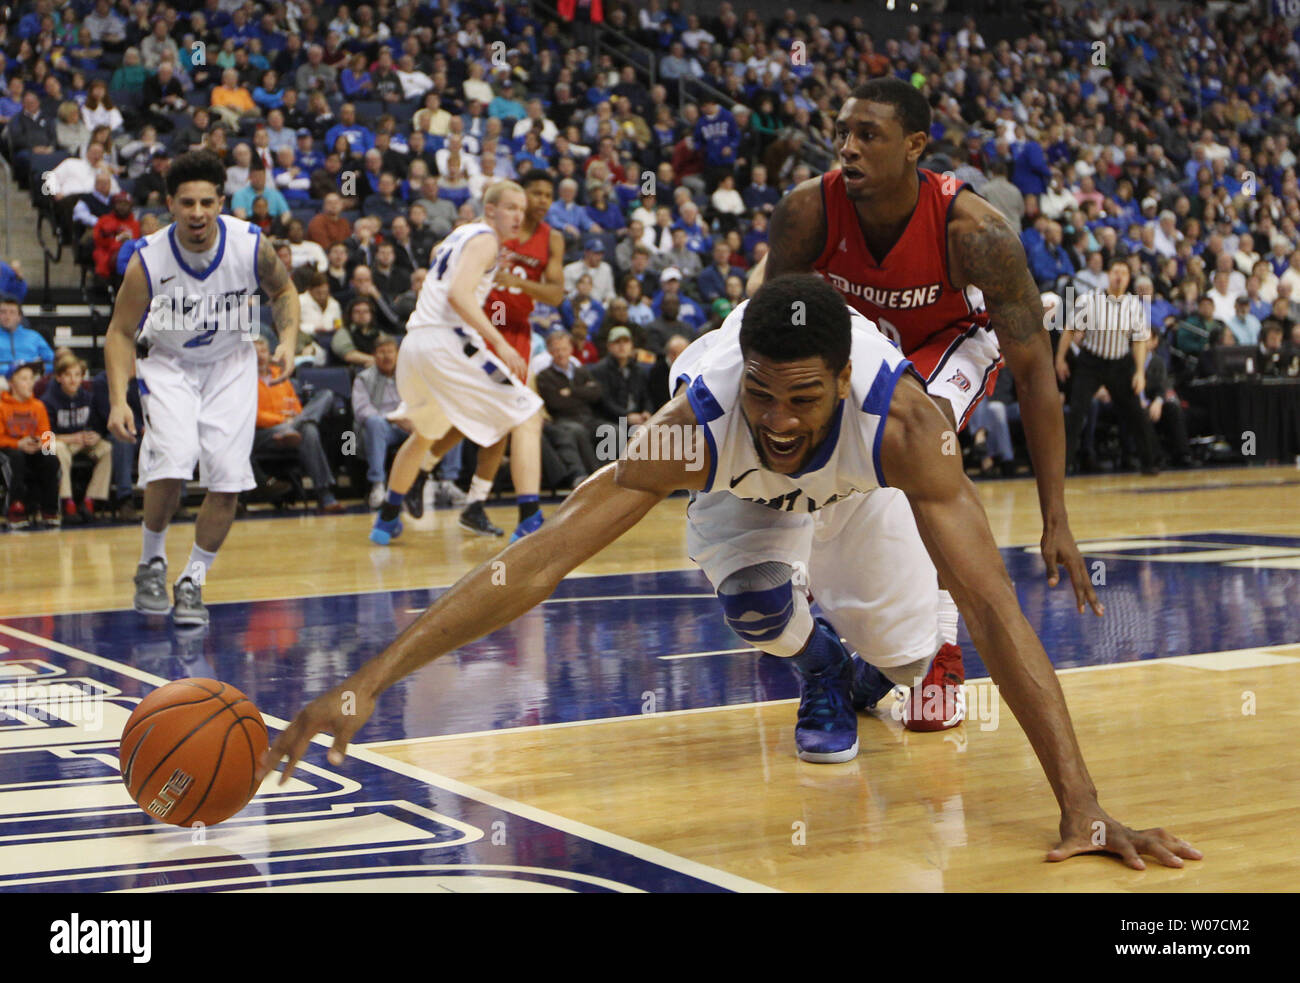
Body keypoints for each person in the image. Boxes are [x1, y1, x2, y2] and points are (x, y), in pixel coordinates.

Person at [263, 275, 1202, 872]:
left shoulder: (908, 429)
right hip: (741, 489)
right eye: (762, 391)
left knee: (924, 671)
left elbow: (998, 610)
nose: (781, 417)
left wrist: (1085, 807)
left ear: (842, 380)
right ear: (738, 371)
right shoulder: (693, 424)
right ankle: (824, 667)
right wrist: (366, 681)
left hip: (861, 484)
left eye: (801, 396)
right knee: (758, 599)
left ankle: (894, 655)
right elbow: (533, 564)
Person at [752, 78, 1100, 719]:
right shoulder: (808, 210)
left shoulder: (977, 232)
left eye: (868, 136)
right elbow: (776, 332)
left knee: (918, 441)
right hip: (853, 350)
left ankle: (941, 650)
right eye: (842, 134)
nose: (848, 149)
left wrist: (1056, 517)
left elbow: (1037, 379)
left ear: (916, 145)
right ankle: (834, 615)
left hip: (950, 344)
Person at [104, 150, 299, 627]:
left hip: (231, 362)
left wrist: (289, 339)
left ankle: (193, 579)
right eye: (187, 203)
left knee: (228, 480)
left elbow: (284, 291)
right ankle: (151, 561)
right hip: (168, 363)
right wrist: (116, 401)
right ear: (171, 204)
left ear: (221, 202)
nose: (197, 213)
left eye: (206, 203)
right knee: (172, 459)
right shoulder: (147, 259)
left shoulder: (251, 244)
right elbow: (119, 332)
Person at [367, 182, 540, 546]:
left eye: (522, 211)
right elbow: (459, 295)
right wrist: (499, 344)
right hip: (447, 342)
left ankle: (386, 519)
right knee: (528, 415)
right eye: (511, 208)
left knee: (426, 432)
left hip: (414, 346)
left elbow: (437, 256)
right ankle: (530, 520)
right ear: (490, 210)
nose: (518, 217)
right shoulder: (486, 239)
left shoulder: (461, 234)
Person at [480, 170, 567, 541]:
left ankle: (494, 505)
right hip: (480, 326)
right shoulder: (496, 226)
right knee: (481, 421)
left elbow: (555, 295)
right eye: (537, 193)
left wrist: (519, 282)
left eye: (550, 194)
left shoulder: (553, 239)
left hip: (516, 334)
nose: (544, 200)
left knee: (509, 419)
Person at [1057, 258, 1160, 475]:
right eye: (1115, 271)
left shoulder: (1134, 304)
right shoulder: (1090, 299)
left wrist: (1140, 372)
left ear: (1129, 278)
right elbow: (1069, 329)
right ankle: (1062, 465)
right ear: (1108, 275)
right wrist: (1060, 359)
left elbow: (1140, 340)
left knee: (1135, 412)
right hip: (1091, 362)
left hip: (1120, 364)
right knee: (1077, 412)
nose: (1119, 276)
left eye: (1124, 272)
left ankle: (1149, 462)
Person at [43, 352, 112, 522]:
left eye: (77, 375)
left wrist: (96, 436)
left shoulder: (89, 398)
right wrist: (70, 438)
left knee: (107, 449)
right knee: (57, 449)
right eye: (67, 375)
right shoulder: (48, 400)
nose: (73, 380)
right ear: (59, 377)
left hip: (82, 442)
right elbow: (44, 438)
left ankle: (91, 500)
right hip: (60, 443)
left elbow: (99, 425)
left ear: (82, 377)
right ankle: (67, 502)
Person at [0, 361, 59, 529]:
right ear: (12, 383)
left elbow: (47, 435)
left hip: (32, 449)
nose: (29, 382)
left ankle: (49, 509)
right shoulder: (2, 406)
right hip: (8, 449)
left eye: (31, 378)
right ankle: (15, 506)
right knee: (15, 459)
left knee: (50, 458)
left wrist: (41, 443)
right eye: (23, 379)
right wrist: (18, 443)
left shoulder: (38, 406)